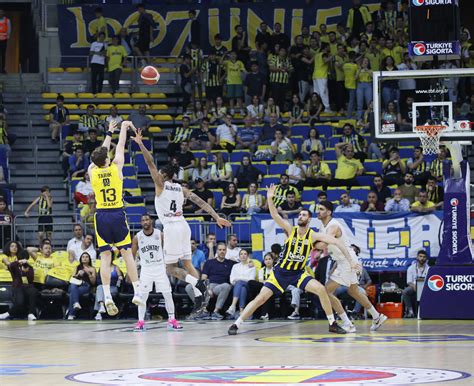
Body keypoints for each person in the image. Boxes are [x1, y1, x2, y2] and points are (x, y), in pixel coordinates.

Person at [228, 184, 351, 335]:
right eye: (299, 215)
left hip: (298, 274)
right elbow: (275, 215)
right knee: (260, 299)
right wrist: (269, 198)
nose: (300, 217)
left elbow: (336, 241)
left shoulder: (313, 235)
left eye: (304, 215)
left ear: (309, 219)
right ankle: (237, 324)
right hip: (280, 273)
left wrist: (350, 259)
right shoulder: (290, 230)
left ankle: (332, 323)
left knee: (321, 289)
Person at [132, 128, 231, 314]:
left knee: (169, 268)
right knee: (187, 263)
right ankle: (202, 294)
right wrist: (216, 216)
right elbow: (200, 202)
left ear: (164, 175)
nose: (157, 175)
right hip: (184, 225)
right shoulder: (182, 189)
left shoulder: (160, 184)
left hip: (171, 227)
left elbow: (149, 162)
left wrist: (140, 144)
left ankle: (198, 285)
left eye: (160, 174)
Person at [88, 121, 143, 316]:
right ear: (107, 159)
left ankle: (107, 297)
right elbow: (120, 146)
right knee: (127, 253)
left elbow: (101, 153)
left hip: (101, 216)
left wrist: (109, 131)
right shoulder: (116, 167)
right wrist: (125, 127)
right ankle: (137, 291)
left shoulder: (92, 171)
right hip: (117, 213)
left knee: (105, 258)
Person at [317, 201, 387, 332]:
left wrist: (307, 241)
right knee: (353, 291)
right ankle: (377, 316)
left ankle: (347, 323)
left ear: (329, 212)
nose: (318, 211)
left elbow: (323, 245)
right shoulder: (323, 226)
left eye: (321, 209)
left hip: (346, 261)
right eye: (318, 209)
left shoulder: (333, 226)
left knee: (326, 291)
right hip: (347, 260)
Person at [132, 214, 182, 331]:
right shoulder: (137, 237)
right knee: (142, 296)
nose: (145, 221)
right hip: (146, 269)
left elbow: (169, 248)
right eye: (143, 220)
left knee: (168, 294)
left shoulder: (159, 234)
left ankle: (172, 319)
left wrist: (169, 263)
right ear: (141, 223)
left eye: (147, 219)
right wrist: (133, 271)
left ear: (151, 221)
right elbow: (132, 256)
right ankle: (140, 321)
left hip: (159, 267)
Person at [0, 249, 38, 321]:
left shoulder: (29, 267)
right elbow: (10, 266)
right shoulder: (15, 266)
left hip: (27, 287)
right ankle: (7, 314)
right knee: (20, 302)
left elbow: (31, 279)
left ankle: (31, 313)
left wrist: (26, 271)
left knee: (34, 291)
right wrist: (18, 262)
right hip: (18, 287)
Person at [200, 243, 235, 320]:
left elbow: (243, 263)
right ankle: (203, 311)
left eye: (224, 250)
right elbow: (203, 278)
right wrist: (207, 289)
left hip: (220, 287)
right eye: (220, 250)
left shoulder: (230, 263)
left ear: (226, 251)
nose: (222, 251)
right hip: (210, 285)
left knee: (226, 286)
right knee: (189, 287)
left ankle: (216, 312)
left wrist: (250, 262)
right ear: (216, 251)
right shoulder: (209, 262)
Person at [226, 249, 256, 318]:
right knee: (242, 288)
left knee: (240, 282)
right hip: (237, 288)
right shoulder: (235, 266)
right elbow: (232, 280)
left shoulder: (252, 267)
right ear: (239, 256)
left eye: (245, 254)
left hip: (249, 287)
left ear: (248, 256)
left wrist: (239, 279)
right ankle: (241, 311)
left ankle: (233, 305)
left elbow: (251, 280)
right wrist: (241, 280)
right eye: (241, 254)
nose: (243, 256)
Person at [67, 252, 97, 320]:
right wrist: (78, 274)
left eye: (87, 257)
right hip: (76, 284)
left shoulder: (92, 269)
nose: (85, 258)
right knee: (73, 285)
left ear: (89, 259)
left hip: (85, 286)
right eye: (83, 257)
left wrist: (89, 274)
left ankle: (72, 313)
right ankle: (75, 304)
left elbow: (93, 282)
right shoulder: (77, 267)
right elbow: (72, 278)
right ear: (81, 259)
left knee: (73, 292)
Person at [94, 257, 123, 321]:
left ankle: (99, 312)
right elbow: (98, 281)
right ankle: (102, 306)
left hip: (113, 286)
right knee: (100, 287)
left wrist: (120, 277)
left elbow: (120, 277)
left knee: (101, 291)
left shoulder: (116, 267)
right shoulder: (102, 268)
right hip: (103, 286)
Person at [402, 250, 429, 318]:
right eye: (420, 256)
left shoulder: (429, 269)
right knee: (405, 292)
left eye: (424, 257)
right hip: (414, 286)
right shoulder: (411, 268)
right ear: (417, 257)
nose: (422, 258)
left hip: (426, 287)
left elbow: (430, 281)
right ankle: (411, 311)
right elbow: (409, 282)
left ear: (426, 259)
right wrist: (414, 286)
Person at [0, 9, 11, 74]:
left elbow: (9, 30)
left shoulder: (7, 21)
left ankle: (2, 69)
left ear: (3, 13)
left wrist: (7, 37)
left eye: (1, 13)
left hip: (4, 40)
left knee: (3, 55)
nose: (0, 14)